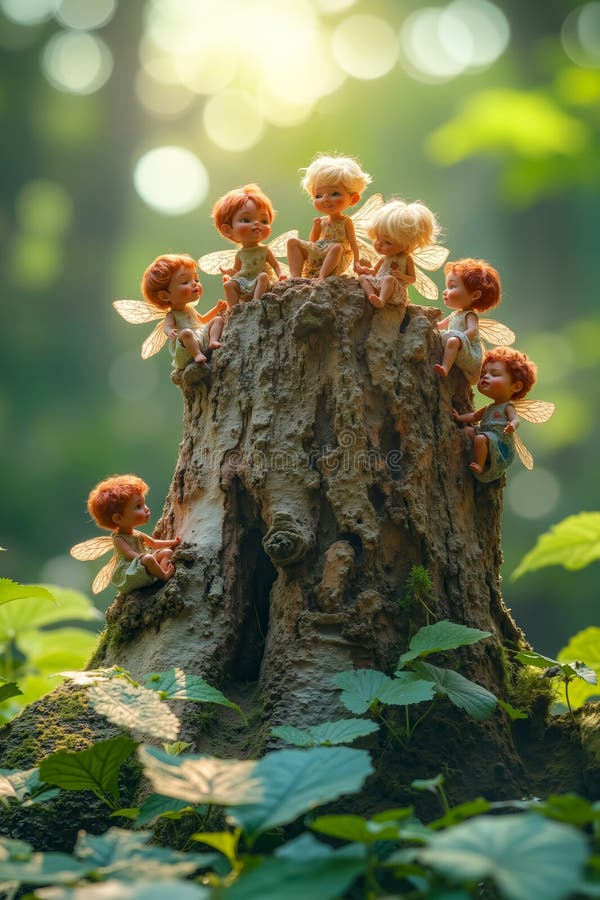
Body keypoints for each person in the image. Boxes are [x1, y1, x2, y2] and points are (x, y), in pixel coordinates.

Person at [452, 347, 537, 482]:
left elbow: (516, 419)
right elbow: (474, 417)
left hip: (500, 444)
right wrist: (458, 417)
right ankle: (472, 455)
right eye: (483, 374)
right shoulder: (489, 408)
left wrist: (512, 426)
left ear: (516, 387)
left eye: (495, 374)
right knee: (468, 431)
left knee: (480, 439)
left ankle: (480, 466)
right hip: (486, 436)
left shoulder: (507, 407)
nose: (485, 376)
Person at [86, 474, 180, 591]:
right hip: (132, 569)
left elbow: (153, 543)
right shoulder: (119, 539)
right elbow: (129, 553)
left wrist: (174, 542)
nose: (146, 509)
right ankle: (164, 576)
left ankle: (160, 572)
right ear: (118, 518)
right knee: (148, 559)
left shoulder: (135, 533)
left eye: (144, 504)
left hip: (144, 561)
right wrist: (143, 559)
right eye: (138, 507)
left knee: (166, 552)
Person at [287, 153, 372, 280]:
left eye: (335, 193)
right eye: (318, 196)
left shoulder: (345, 221)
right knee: (292, 242)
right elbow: (312, 243)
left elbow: (354, 244)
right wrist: (316, 227)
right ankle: (295, 277)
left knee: (337, 247)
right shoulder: (321, 221)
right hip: (320, 251)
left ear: (353, 198)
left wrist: (357, 262)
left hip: (337, 256)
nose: (325, 199)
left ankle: (322, 276)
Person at [141, 254, 226, 367]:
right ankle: (197, 354)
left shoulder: (189, 309)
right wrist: (170, 331)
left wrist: (217, 309)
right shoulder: (172, 315)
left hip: (200, 337)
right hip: (186, 348)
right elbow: (167, 327)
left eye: (196, 279)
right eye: (185, 282)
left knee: (218, 320)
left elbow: (203, 319)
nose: (195, 283)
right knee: (186, 333)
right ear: (164, 296)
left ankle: (213, 342)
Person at [357, 199, 441, 309]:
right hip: (379, 283)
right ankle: (371, 295)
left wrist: (401, 276)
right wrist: (368, 270)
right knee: (363, 278)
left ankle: (381, 301)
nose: (379, 245)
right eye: (378, 238)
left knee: (389, 279)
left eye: (387, 242)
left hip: (395, 290)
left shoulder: (406, 260)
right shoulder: (384, 258)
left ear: (406, 245)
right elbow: (375, 271)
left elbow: (412, 279)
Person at [211, 183, 285, 305]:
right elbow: (237, 270)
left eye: (264, 221)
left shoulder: (264, 250)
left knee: (262, 276)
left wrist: (281, 274)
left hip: (261, 282)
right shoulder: (240, 254)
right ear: (228, 230)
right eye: (246, 220)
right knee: (229, 284)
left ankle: (256, 303)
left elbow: (275, 265)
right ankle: (234, 310)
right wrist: (228, 272)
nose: (257, 224)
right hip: (245, 282)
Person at [434, 258, 501, 384]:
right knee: (452, 341)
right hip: (460, 346)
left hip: (471, 354)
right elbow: (440, 325)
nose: (445, 292)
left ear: (475, 295)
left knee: (453, 341)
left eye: (452, 286)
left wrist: (461, 338)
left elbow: (473, 330)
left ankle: (445, 368)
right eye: (446, 286)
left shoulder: (470, 315)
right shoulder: (455, 314)